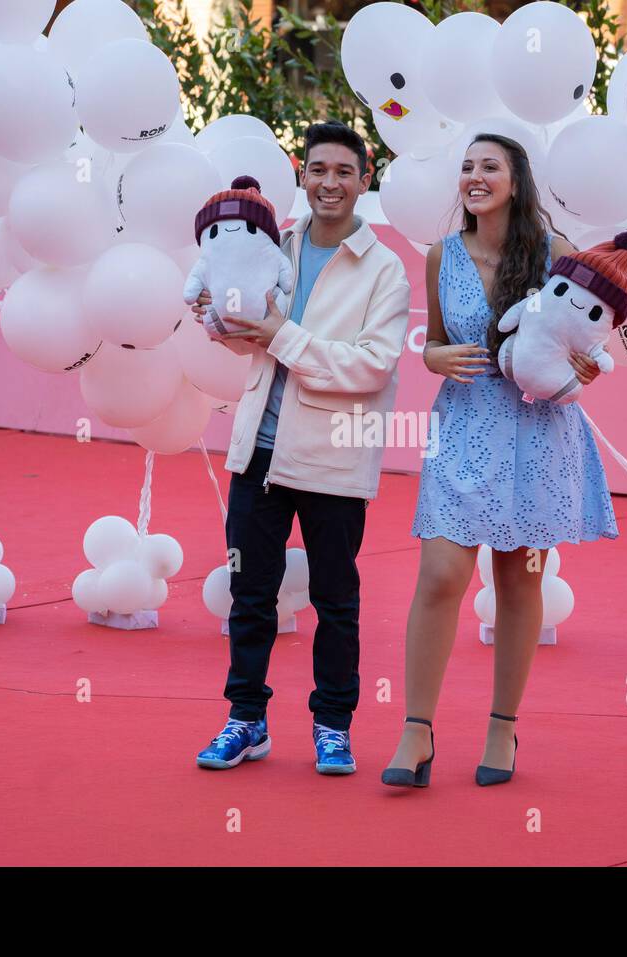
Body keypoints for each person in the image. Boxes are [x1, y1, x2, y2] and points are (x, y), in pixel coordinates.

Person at [381, 133, 627, 789]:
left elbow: (589, 342)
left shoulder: (560, 255)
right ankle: (416, 729)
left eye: (488, 166)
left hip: (540, 430)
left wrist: (584, 371)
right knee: (439, 573)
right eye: (466, 167)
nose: (473, 176)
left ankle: (502, 725)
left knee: (520, 582)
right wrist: (436, 358)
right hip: (466, 423)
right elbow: (433, 343)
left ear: (516, 180)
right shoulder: (442, 256)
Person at [191, 121, 411, 775]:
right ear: (301, 175)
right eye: (318, 170)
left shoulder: (385, 269)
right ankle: (245, 720)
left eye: (344, 171)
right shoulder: (274, 243)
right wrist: (218, 319)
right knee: (249, 594)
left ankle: (333, 725)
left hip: (334, 459)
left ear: (364, 180)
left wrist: (281, 334)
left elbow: (369, 366)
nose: (329, 182)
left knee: (336, 601)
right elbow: (255, 338)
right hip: (257, 450)